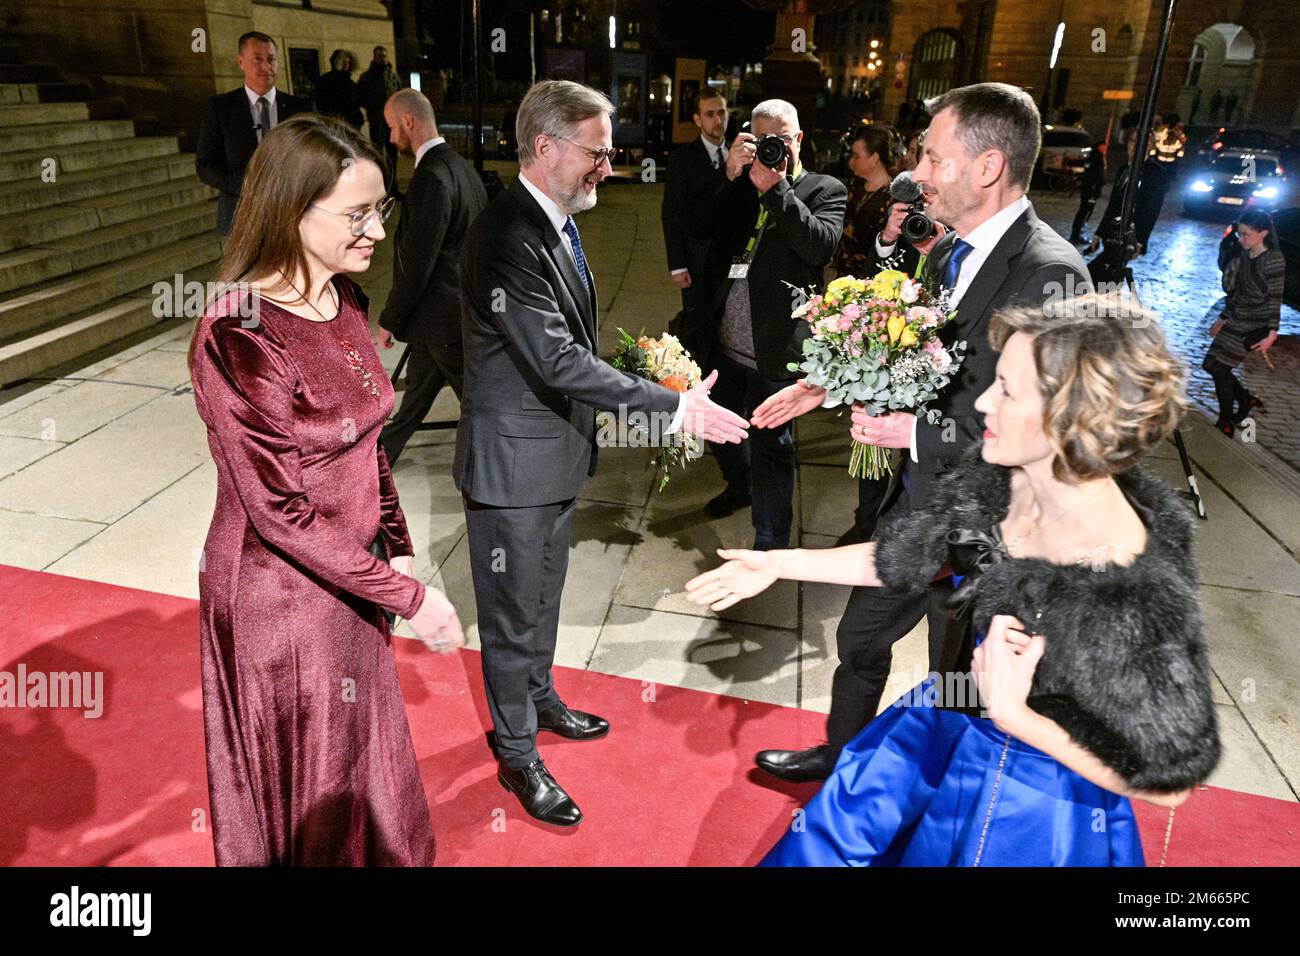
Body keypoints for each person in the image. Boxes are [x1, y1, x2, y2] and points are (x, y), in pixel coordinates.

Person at [688, 294, 1221, 866]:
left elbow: (1169, 781)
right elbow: (911, 555)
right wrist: (777, 564)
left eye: (1009, 391)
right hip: (943, 719)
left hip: (1034, 790)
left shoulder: (1132, 580)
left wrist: (1016, 716)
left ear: (1074, 415)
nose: (986, 401)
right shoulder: (1001, 473)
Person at [746, 82, 1090, 784]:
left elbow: (1045, 429)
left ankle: (948, 799)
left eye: (932, 158)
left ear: (987, 166)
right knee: (859, 638)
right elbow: (910, 356)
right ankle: (843, 764)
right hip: (919, 508)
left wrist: (915, 434)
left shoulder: (1050, 273)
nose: (919, 174)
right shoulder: (948, 253)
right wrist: (828, 382)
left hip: (990, 531)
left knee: (958, 677)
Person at [453, 80, 748, 828]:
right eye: (597, 152)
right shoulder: (506, 235)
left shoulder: (557, 218)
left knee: (544, 597)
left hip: (553, 457)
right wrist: (675, 406)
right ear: (545, 147)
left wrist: (655, 379)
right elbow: (555, 360)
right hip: (513, 470)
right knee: (513, 614)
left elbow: (573, 349)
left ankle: (540, 697)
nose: (608, 168)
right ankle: (517, 753)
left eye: (610, 152)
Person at [187, 114, 465, 866]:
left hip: (351, 577)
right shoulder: (238, 334)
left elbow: (369, 444)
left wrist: (397, 550)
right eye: (357, 215)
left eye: (382, 209)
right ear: (293, 211)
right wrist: (410, 597)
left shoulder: (346, 304)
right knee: (313, 781)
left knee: (356, 760)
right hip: (280, 600)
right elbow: (278, 513)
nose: (377, 229)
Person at [701, 98, 847, 544]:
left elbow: (818, 247)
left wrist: (777, 190)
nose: (773, 149)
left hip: (776, 346)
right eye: (763, 140)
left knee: (771, 447)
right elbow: (705, 229)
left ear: (798, 139)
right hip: (724, 341)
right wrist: (729, 178)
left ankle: (770, 539)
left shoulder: (825, 189)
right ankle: (738, 486)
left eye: (781, 139)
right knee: (721, 432)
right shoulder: (743, 183)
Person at [375, 89, 487, 464]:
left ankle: (500, 466)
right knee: (414, 402)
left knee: (479, 407)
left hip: (445, 322)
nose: (392, 138)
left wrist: (391, 319)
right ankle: (376, 461)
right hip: (445, 321)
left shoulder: (432, 178)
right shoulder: (462, 168)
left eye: (392, 128)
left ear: (408, 121)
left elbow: (416, 261)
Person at [831, 124, 904, 548]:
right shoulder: (855, 191)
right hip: (850, 308)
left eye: (858, 153)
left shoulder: (895, 199)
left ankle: (870, 521)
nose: (852, 160)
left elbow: (895, 261)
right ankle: (868, 517)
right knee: (864, 417)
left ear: (875, 156)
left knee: (873, 421)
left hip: (880, 317)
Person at [196, 32, 309, 236]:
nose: (266, 67)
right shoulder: (219, 108)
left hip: (291, 216)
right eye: (257, 59)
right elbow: (206, 165)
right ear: (241, 62)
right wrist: (249, 186)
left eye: (271, 59)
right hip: (239, 218)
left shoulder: (299, 108)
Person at [661, 89, 730, 360]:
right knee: (698, 325)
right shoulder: (683, 159)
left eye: (722, 112)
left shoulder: (742, 152)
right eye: (710, 114)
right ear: (698, 120)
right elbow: (671, 213)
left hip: (732, 259)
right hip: (695, 260)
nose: (718, 120)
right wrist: (677, 264)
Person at [1204, 209, 1283, 436]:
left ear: (1263, 234)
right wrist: (1222, 319)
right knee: (1210, 365)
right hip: (1236, 319)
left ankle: (1226, 422)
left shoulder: (1274, 260)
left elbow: (1275, 298)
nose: (1241, 239)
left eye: (1247, 234)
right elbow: (1236, 294)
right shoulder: (1245, 257)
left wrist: (1272, 333)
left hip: (1252, 324)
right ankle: (1245, 399)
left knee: (1220, 368)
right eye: (1240, 234)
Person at [358, 46, 403, 192]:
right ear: (374, 57)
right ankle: (378, 185)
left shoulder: (393, 76)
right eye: (379, 56)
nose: (382, 59)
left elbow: (400, 95)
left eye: (384, 56)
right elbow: (361, 97)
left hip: (391, 123)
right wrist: (374, 110)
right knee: (376, 154)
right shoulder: (367, 77)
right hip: (376, 120)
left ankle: (392, 186)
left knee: (392, 155)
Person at [314, 49, 365, 129]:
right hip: (337, 123)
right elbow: (322, 103)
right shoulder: (327, 80)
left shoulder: (351, 83)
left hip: (353, 123)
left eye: (348, 62)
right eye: (343, 62)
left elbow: (356, 102)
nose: (346, 65)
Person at [1069, 139, 1106, 244]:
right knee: (1085, 213)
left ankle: (1076, 234)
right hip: (1091, 191)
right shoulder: (1096, 158)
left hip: (1088, 189)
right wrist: (1099, 184)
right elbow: (1096, 176)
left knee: (1084, 212)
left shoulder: (1092, 157)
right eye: (1103, 146)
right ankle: (1076, 235)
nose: (1104, 149)